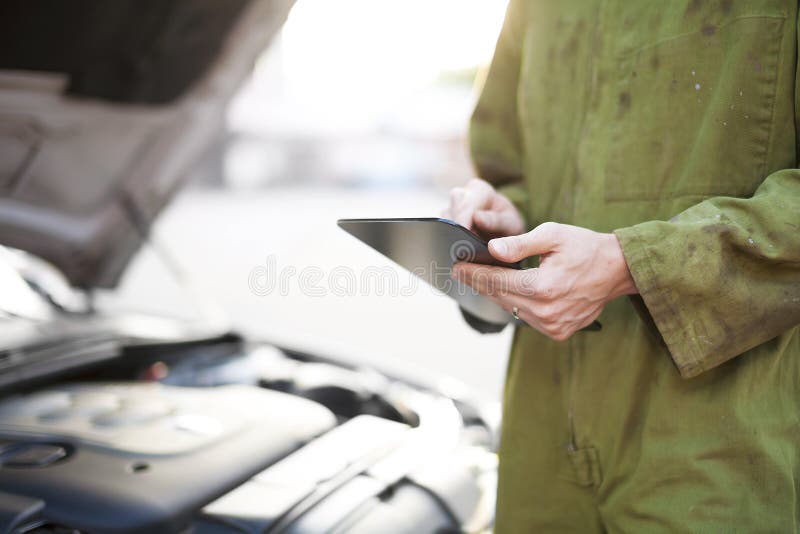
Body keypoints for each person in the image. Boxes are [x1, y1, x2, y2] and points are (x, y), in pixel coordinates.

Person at [444, 1, 800, 531]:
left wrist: (634, 263)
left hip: (715, 459)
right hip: (536, 449)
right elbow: (506, 164)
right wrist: (507, 225)